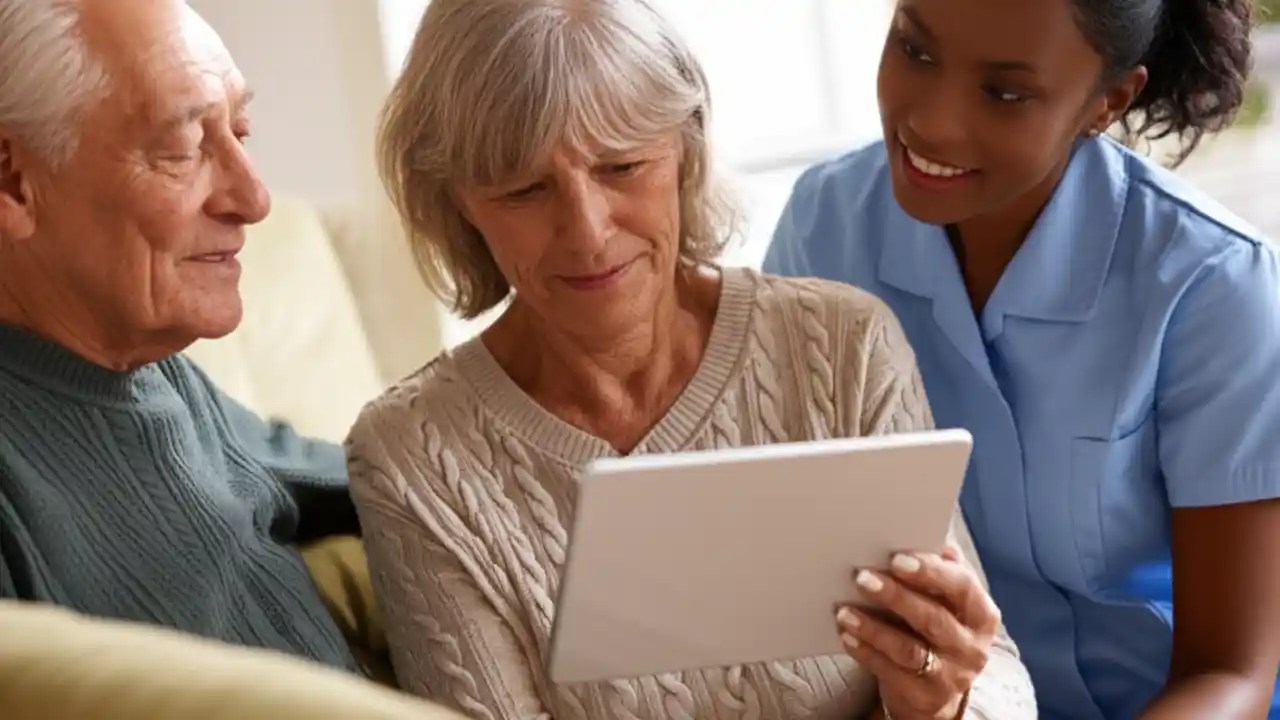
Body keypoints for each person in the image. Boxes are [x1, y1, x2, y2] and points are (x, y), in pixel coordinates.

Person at [347, 1, 1037, 718]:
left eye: (621, 166)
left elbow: (999, 682)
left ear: (686, 149)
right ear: (458, 201)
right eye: (524, 190)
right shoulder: (413, 460)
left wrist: (942, 700)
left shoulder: (841, 346)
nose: (586, 232)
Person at [764, 0, 1280, 717]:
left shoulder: (1210, 285)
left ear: (1108, 102)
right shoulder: (822, 227)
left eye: (1005, 93)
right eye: (914, 50)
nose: (930, 121)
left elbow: (1231, 672)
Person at [0, 0, 360, 671]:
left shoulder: (158, 374)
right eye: (182, 148)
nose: (253, 198)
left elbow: (375, 481)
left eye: (240, 135)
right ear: (13, 180)